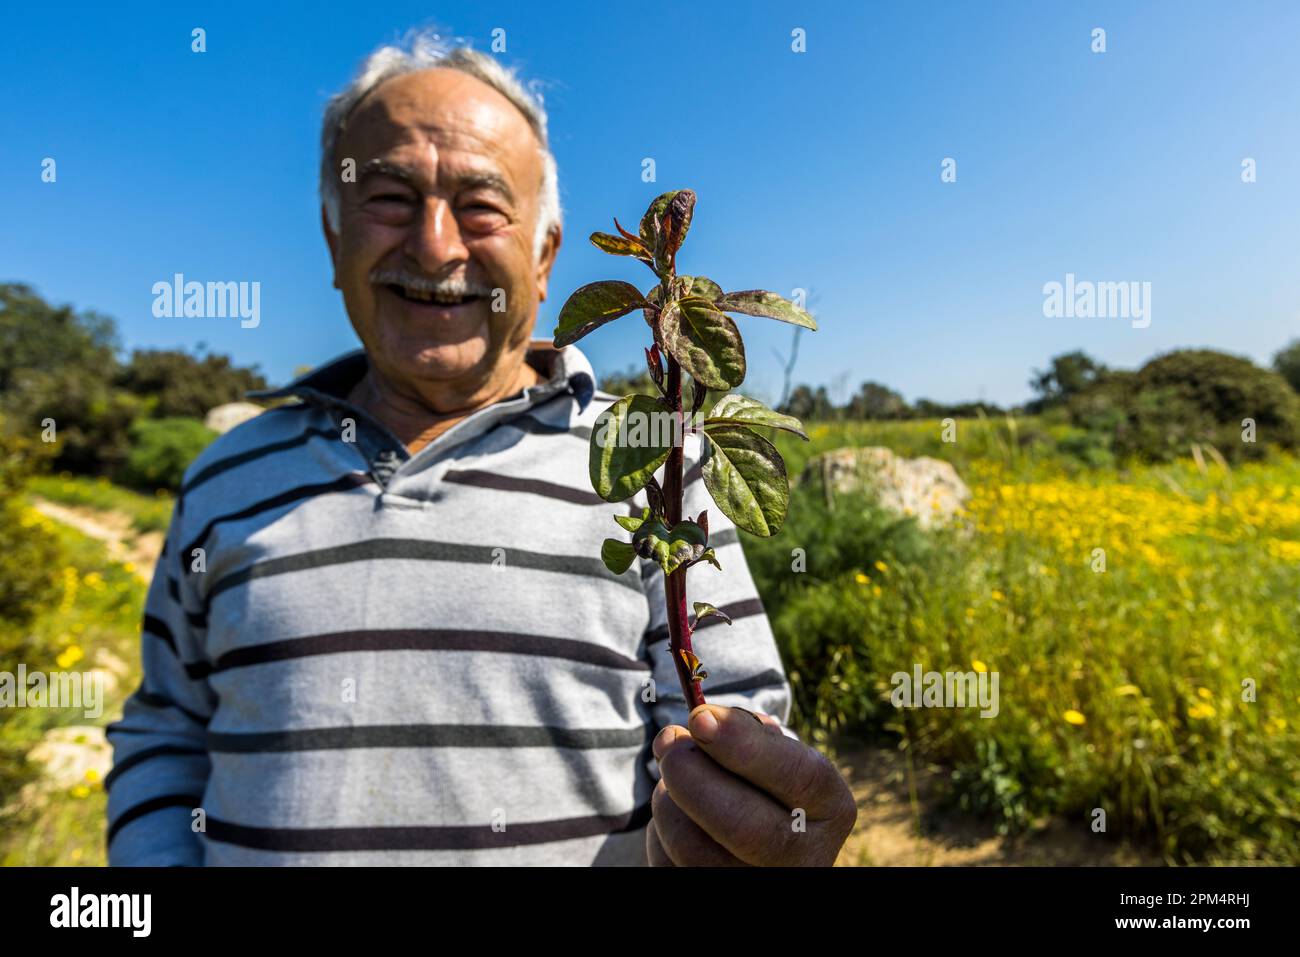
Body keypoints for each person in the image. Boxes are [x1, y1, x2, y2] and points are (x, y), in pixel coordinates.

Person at [105, 30, 857, 866]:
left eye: (482, 206)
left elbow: (736, 739)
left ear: (545, 256)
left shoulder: (653, 460)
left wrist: (766, 826)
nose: (435, 246)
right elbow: (164, 727)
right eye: (388, 197)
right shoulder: (224, 473)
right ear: (331, 239)